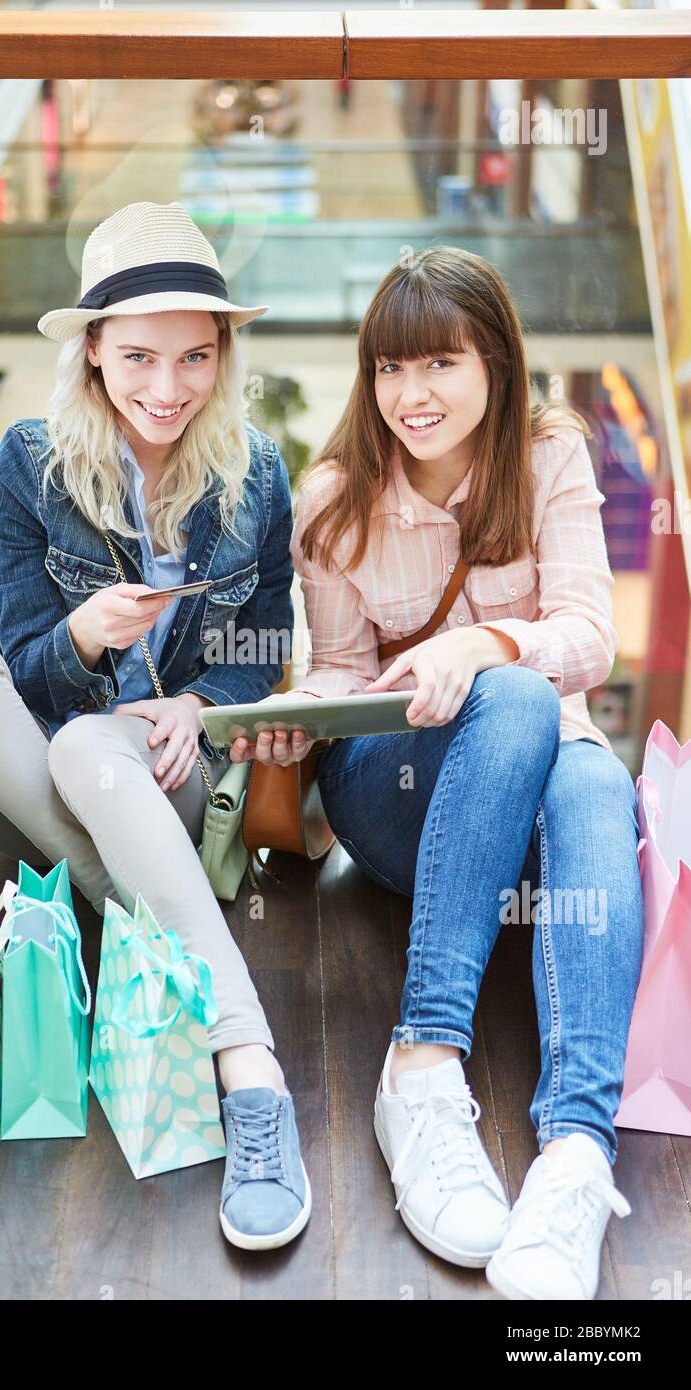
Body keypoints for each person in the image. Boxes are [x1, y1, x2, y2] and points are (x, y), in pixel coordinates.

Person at [231, 246, 644, 1299]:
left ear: (495, 364)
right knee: (511, 703)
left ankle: (572, 1156)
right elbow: (335, 667)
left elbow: (590, 639)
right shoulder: (335, 496)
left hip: (539, 791)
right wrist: (297, 714)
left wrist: (484, 644)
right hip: (396, 803)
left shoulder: (548, 456)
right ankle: (420, 1067)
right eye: (386, 369)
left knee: (591, 776)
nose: (407, 396)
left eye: (437, 366)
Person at [0, 201, 310, 1252]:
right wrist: (81, 636)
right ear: (89, 350)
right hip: (36, 766)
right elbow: (25, 672)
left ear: (224, 354)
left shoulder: (256, 479)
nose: (166, 389)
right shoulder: (25, 472)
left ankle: (244, 1065)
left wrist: (197, 705)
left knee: (99, 748)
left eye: (194, 358)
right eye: (136, 356)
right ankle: (196, 971)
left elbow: (260, 654)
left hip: (153, 777)